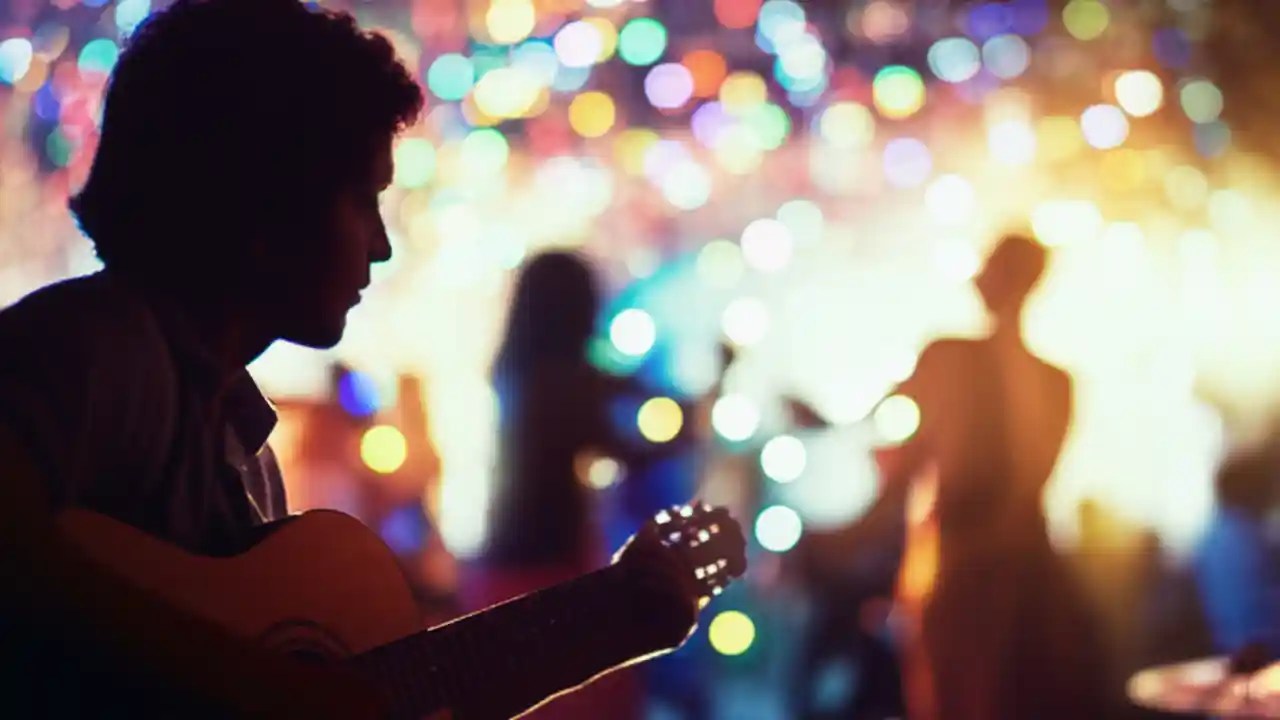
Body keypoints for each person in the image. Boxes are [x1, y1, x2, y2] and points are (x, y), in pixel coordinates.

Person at [0, 2, 717, 716]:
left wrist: (606, 625)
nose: (379, 245)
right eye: (363, 199)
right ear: (265, 199)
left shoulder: (237, 446)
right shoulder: (91, 348)